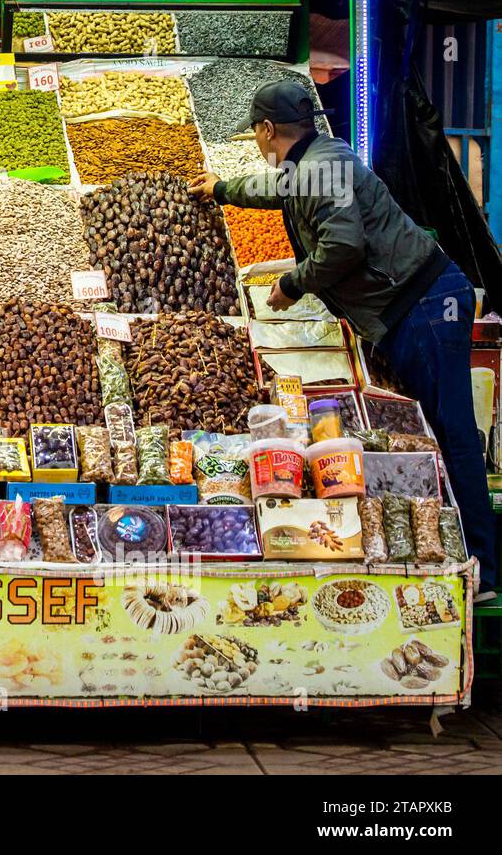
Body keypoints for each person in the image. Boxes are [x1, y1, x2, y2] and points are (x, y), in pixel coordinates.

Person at [189, 80, 497, 600]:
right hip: (407, 307)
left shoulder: (317, 170)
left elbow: (344, 246)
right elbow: (279, 189)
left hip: (424, 305)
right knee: (435, 433)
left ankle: (482, 568)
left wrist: (292, 283)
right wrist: (222, 189)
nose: (258, 144)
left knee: (453, 432)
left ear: (267, 130)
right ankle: (452, 552)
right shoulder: (321, 158)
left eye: (257, 135)